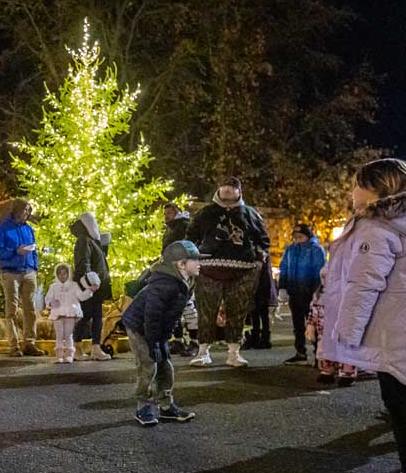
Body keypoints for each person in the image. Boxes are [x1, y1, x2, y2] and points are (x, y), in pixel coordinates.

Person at [321, 158, 406, 473]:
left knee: (402, 411)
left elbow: (363, 284)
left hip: (394, 333)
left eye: (358, 184)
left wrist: (346, 332)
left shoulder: (378, 228)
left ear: (379, 189)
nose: (352, 191)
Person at [186, 176, 270, 367]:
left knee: (237, 312)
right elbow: (190, 236)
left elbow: (263, 239)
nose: (227, 190)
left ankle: (234, 352)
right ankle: (203, 351)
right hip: (208, 269)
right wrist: (192, 258)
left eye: (232, 187)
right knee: (206, 311)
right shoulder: (205, 213)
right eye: (224, 187)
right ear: (218, 190)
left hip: (242, 271)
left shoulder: (250, 214)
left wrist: (259, 259)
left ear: (239, 192)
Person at [121, 240, 201, 426]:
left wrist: (169, 335)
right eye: (195, 260)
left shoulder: (186, 281)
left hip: (157, 330)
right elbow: (152, 316)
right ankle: (143, 406)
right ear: (181, 264)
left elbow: (177, 311)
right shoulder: (162, 285)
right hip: (139, 327)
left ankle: (165, 406)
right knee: (148, 365)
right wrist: (154, 343)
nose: (199, 263)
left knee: (165, 365)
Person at [0, 199, 44, 357]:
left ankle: (30, 343)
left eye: (29, 210)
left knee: (30, 309)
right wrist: (15, 251)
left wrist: (34, 266)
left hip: (28, 272)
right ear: (16, 210)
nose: (27, 213)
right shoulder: (3, 228)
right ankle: (14, 345)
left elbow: (34, 250)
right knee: (12, 309)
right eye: (25, 210)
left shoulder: (28, 229)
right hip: (10, 272)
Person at [278, 224, 326, 364]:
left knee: (314, 325)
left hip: (309, 293)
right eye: (295, 236)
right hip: (294, 292)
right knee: (297, 325)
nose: (297, 239)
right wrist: (282, 287)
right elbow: (284, 268)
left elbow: (319, 272)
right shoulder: (290, 249)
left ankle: (319, 354)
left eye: (300, 236)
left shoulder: (316, 250)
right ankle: (300, 352)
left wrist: (316, 292)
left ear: (307, 236)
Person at [71, 212, 113, 360]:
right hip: (91, 286)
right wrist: (89, 281)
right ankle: (78, 348)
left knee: (95, 316)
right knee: (86, 316)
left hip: (96, 285)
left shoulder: (91, 240)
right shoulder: (84, 240)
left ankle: (94, 347)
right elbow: (83, 262)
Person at [44, 263, 95, 363]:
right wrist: (51, 302)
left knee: (68, 334)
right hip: (57, 314)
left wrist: (89, 291)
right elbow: (47, 298)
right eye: (60, 273)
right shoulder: (53, 286)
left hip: (70, 313)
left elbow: (81, 296)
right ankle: (59, 356)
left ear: (69, 274)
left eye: (64, 273)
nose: (62, 276)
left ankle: (69, 355)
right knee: (59, 335)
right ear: (56, 274)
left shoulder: (74, 285)